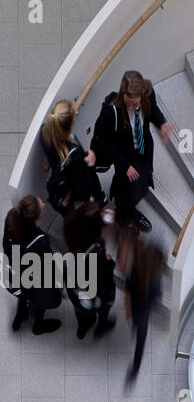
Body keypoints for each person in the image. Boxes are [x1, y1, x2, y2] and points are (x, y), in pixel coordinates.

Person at [91, 70, 174, 233]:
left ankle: (129, 210)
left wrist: (162, 123)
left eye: (135, 104)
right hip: (124, 157)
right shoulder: (111, 111)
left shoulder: (148, 94)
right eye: (127, 102)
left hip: (143, 150)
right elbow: (106, 143)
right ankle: (123, 215)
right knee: (126, 188)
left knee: (142, 181)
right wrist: (125, 165)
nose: (131, 107)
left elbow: (153, 111)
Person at [1, 194, 62, 335]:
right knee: (38, 297)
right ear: (36, 218)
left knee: (23, 294)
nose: (44, 205)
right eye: (42, 206)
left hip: (13, 274)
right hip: (32, 279)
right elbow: (48, 266)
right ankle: (38, 325)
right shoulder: (40, 240)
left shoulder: (11, 218)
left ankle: (19, 317)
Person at [39, 99, 104, 219]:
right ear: (70, 126)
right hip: (71, 190)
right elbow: (82, 185)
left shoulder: (45, 131)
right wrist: (91, 164)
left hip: (59, 192)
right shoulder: (74, 152)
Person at [62, 207, 116, 341]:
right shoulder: (97, 254)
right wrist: (109, 260)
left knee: (82, 312)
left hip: (77, 294)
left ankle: (83, 327)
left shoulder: (73, 243)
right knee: (103, 309)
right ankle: (101, 327)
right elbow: (105, 277)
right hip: (97, 295)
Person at [121, 235, 164, 387]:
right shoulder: (155, 282)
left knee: (137, 333)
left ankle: (135, 367)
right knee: (140, 339)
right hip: (142, 313)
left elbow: (127, 291)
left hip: (136, 310)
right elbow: (156, 301)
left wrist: (128, 311)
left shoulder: (134, 271)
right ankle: (135, 368)